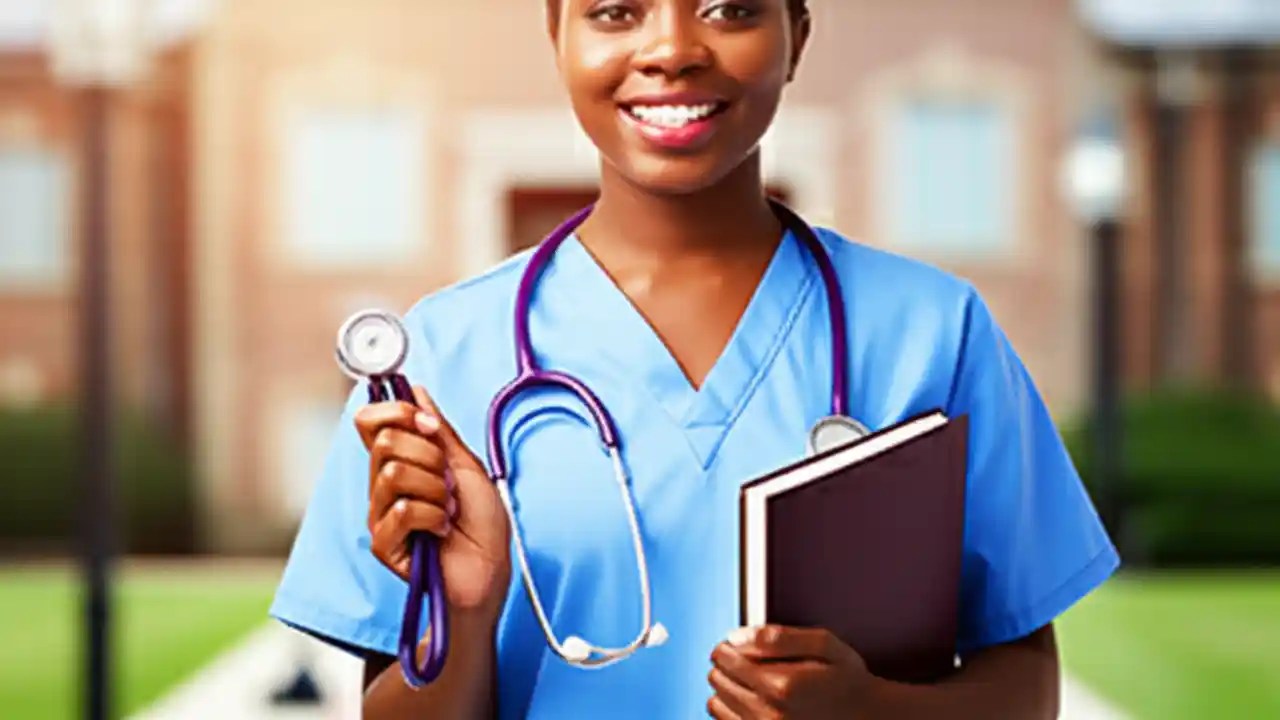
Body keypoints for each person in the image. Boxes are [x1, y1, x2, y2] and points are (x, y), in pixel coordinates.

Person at [269, 0, 1120, 717]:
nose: (673, 48)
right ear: (557, 35)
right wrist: (466, 606)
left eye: (732, 7)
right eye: (614, 11)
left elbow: (1025, 681)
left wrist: (872, 709)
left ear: (797, 35)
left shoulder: (935, 332)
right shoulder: (441, 359)